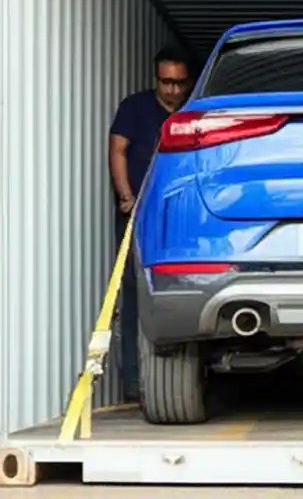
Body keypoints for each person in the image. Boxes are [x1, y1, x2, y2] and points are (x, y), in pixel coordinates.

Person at [107, 46, 194, 401]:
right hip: (139, 217)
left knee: (182, 293)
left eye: (178, 83)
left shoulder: (195, 111)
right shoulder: (135, 108)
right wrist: (126, 197)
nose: (172, 90)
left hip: (182, 219)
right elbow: (118, 149)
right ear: (155, 79)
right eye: (165, 82)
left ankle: (182, 378)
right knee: (133, 294)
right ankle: (132, 382)